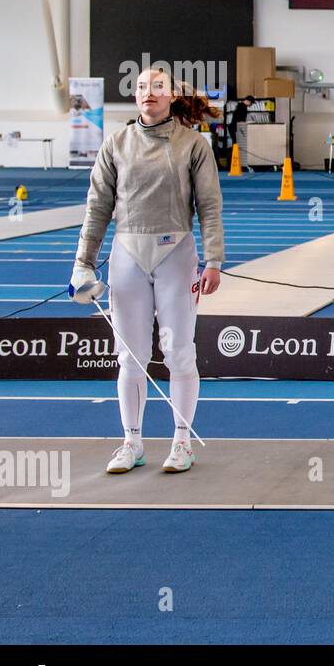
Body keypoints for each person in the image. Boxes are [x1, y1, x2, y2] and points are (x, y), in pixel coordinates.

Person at [72, 68, 224, 474]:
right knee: (131, 357)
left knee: (179, 353)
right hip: (127, 256)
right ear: (135, 95)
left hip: (176, 255)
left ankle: (181, 442)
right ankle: (132, 442)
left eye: (158, 87)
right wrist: (82, 263)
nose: (149, 93)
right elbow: (97, 208)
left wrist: (213, 260)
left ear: (171, 95)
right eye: (142, 87)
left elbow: (209, 206)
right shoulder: (116, 142)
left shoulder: (193, 144)